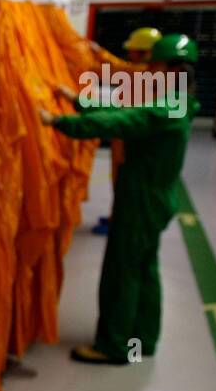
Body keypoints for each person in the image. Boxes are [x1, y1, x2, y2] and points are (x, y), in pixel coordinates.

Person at [40, 33, 199, 364]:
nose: (148, 70)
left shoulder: (165, 108)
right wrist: (77, 100)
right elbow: (125, 106)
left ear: (172, 69)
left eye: (153, 64)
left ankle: (113, 346)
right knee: (144, 269)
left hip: (140, 202)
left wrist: (58, 122)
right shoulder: (176, 101)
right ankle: (143, 338)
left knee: (122, 272)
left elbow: (123, 120)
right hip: (155, 199)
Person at [56, 27, 162, 235]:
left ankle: (122, 222)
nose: (129, 54)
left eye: (133, 50)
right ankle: (118, 215)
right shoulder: (145, 71)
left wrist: (94, 52)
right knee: (121, 178)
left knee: (126, 180)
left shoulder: (144, 73)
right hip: (127, 131)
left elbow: (112, 68)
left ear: (145, 52)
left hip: (131, 135)